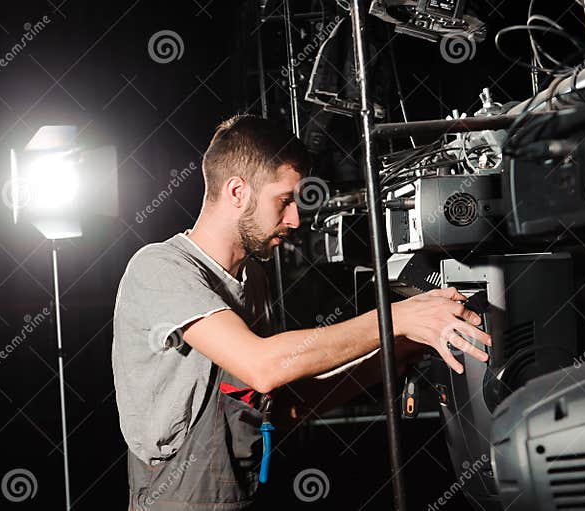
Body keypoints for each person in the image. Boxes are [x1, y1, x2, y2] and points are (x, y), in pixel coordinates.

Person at [112, 114, 491, 510]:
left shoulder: (252, 278)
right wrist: (397, 317)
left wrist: (396, 352)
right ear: (238, 191)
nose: (294, 219)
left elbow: (287, 403)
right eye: (284, 200)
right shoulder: (160, 268)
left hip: (242, 494)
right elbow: (262, 366)